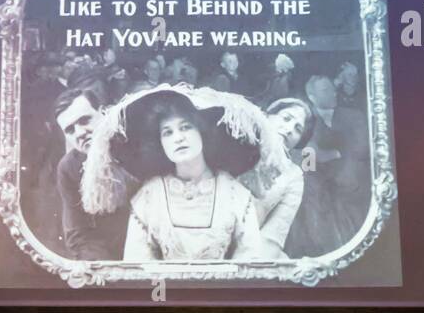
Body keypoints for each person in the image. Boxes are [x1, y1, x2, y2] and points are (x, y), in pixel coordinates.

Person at [81, 86, 286, 264]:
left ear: (203, 133)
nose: (178, 138)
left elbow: (249, 263)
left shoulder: (236, 195)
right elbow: (138, 266)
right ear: (160, 143)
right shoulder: (149, 196)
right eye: (167, 132)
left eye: (186, 127)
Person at [54, 88, 133, 260]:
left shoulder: (134, 142)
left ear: (102, 112)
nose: (80, 133)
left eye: (85, 120)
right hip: (112, 260)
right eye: (70, 130)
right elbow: (78, 234)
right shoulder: (69, 168)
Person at [295, 75, 371, 255]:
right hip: (319, 186)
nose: (333, 93)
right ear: (312, 97)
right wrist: (329, 153)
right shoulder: (304, 120)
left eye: (332, 89)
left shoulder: (354, 116)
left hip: (351, 183)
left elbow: (362, 149)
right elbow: (308, 159)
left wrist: (332, 153)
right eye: (325, 90)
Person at [244, 97, 310, 257]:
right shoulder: (235, 144)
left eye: (298, 129)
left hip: (253, 255)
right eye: (286, 118)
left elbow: (272, 237)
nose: (289, 129)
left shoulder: (293, 175)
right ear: (267, 116)